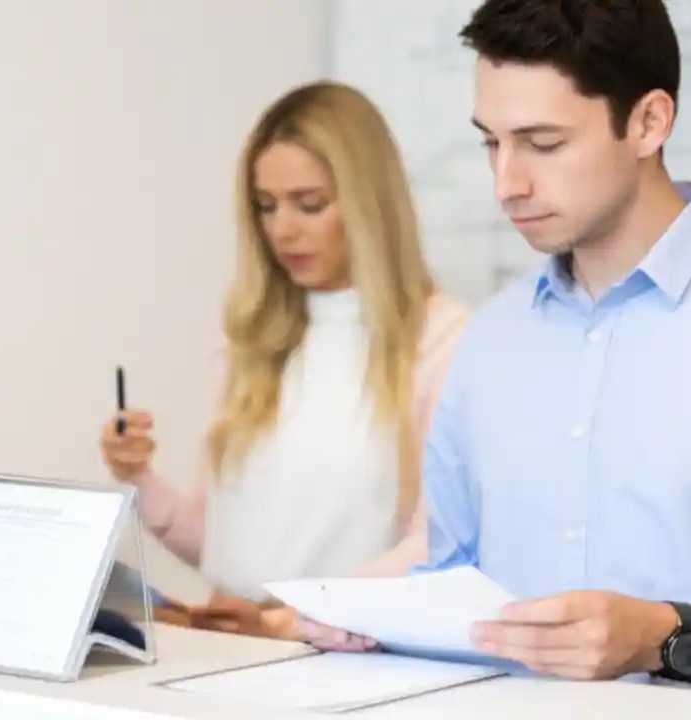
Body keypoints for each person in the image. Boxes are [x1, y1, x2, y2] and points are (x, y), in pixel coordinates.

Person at [308, 0, 691, 706]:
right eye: (491, 143)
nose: (507, 182)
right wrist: (370, 621)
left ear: (648, 123)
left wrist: (664, 635)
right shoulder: (489, 341)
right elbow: (455, 585)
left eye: (542, 144)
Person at [100, 81, 467, 638]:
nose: (283, 230)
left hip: (349, 663)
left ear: (369, 202)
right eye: (266, 207)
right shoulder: (259, 344)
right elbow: (226, 550)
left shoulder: (439, 341)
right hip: (233, 649)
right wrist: (137, 476)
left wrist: (289, 623)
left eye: (310, 204)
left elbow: (435, 548)